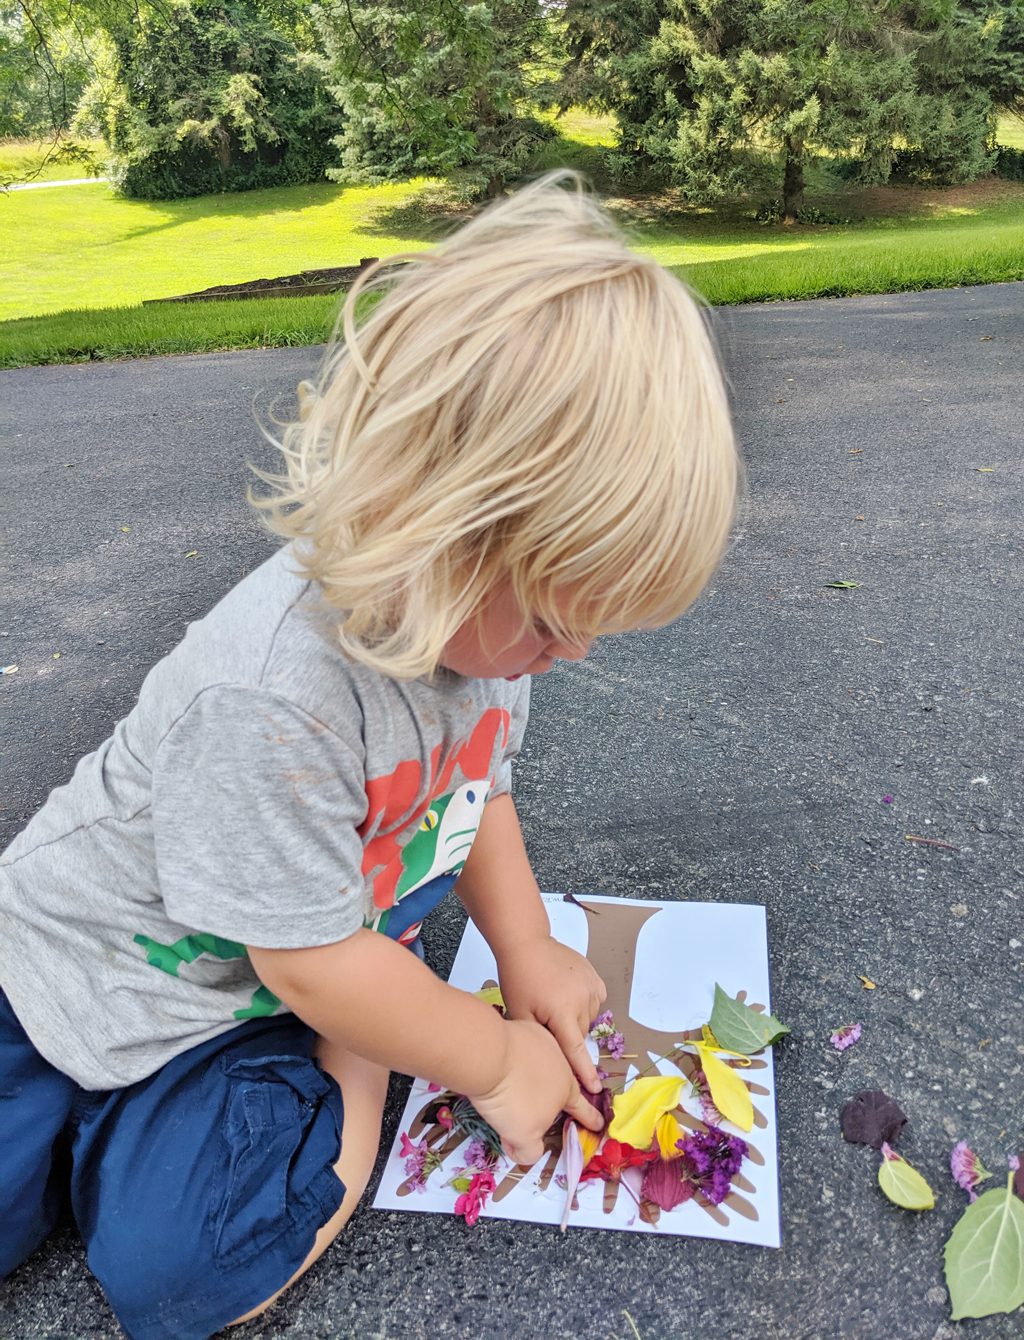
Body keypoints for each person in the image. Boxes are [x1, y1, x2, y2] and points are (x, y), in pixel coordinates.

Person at [0, 169, 739, 1339]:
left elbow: (475, 784)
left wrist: (528, 941)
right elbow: (302, 961)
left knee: (182, 1275)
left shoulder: (485, 647)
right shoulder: (273, 694)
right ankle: (356, 1041)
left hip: (242, 1002)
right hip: (69, 977)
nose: (576, 649)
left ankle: (342, 1043)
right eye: (555, 618)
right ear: (431, 528)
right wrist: (490, 1061)